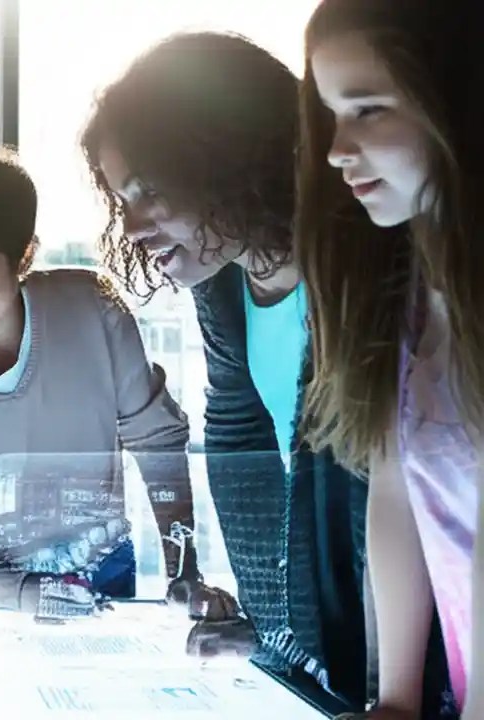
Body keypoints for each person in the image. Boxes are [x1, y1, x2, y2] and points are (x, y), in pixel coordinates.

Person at [78, 32, 374, 711]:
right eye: (122, 200)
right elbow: (242, 443)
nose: (132, 226)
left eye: (149, 191)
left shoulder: (364, 265)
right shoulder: (223, 285)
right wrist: (274, 636)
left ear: (227, 158)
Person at [0, 141, 195, 617]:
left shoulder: (93, 311)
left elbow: (158, 441)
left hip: (106, 578)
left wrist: (184, 571)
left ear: (25, 257)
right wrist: (25, 595)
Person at [297, 1, 484, 717]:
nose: (337, 150)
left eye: (368, 110)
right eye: (332, 116)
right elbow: (396, 489)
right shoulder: (405, 287)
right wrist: (395, 700)